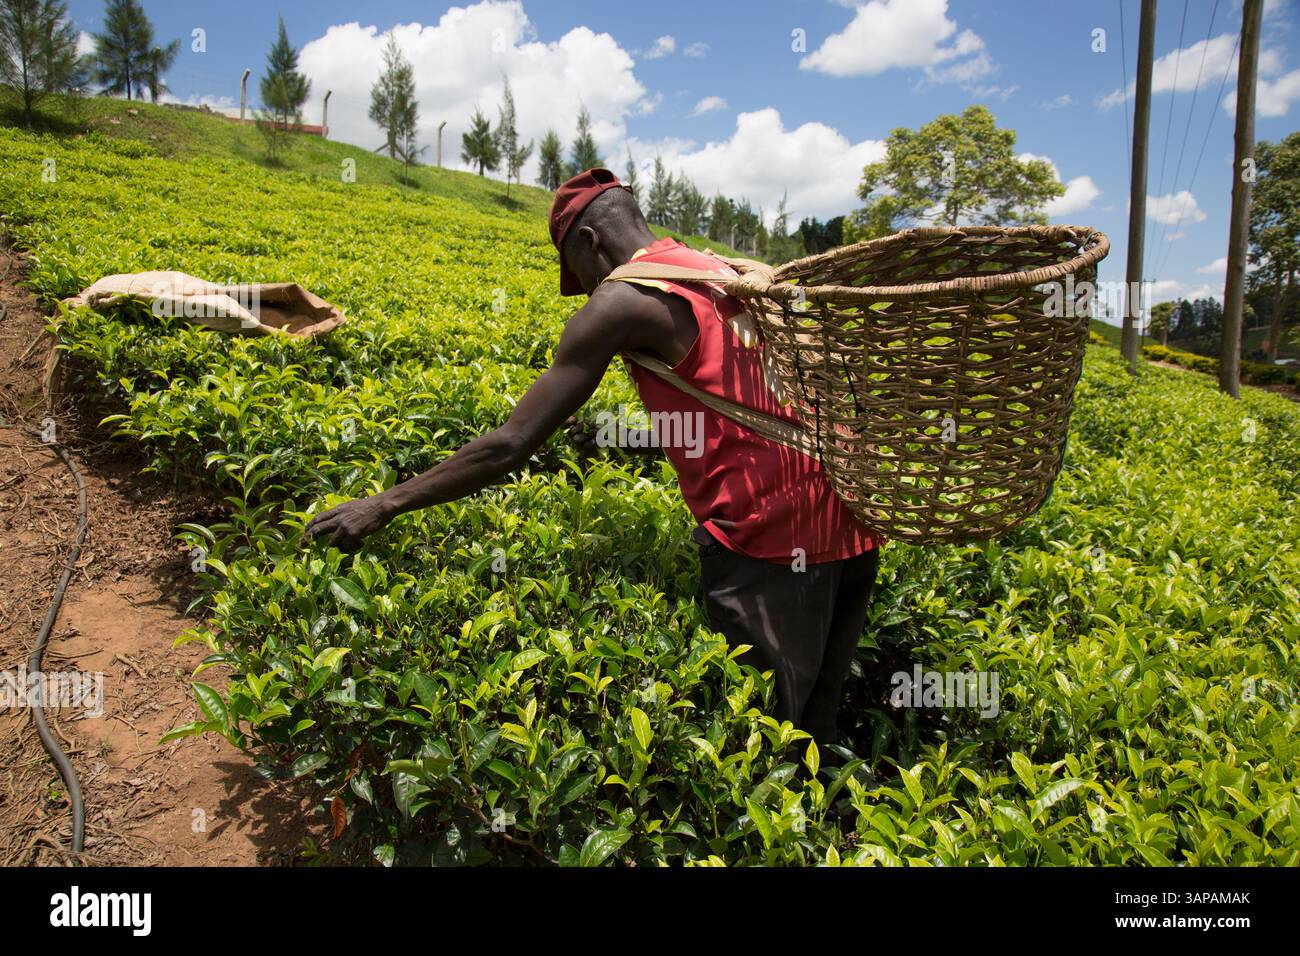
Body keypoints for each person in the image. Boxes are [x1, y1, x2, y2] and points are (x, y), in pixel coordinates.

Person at [304, 168, 884, 747]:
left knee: (766, 744)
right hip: (849, 516)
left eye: (575, 273)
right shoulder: (718, 269)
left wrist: (385, 503)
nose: (583, 288)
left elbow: (511, 443)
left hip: (772, 543)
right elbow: (734, 404)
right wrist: (619, 437)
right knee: (819, 731)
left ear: (589, 242)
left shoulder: (621, 299)